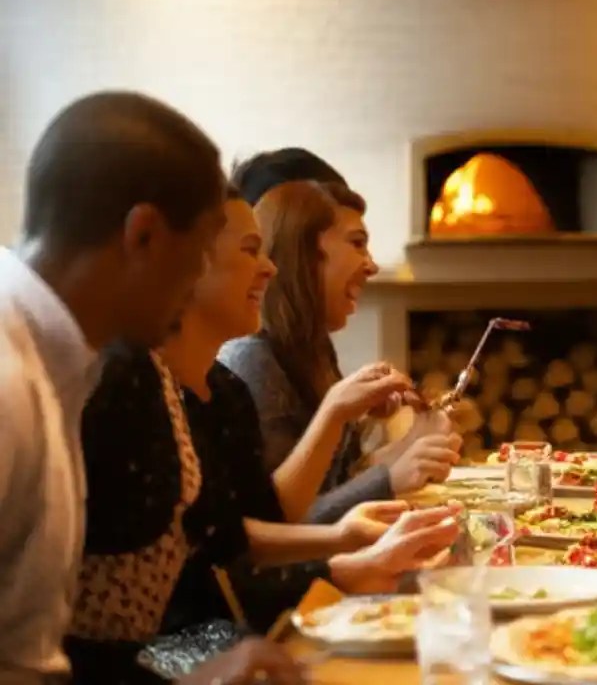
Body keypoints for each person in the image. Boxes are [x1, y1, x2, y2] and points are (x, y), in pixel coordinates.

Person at [65, 189, 461, 682]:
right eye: (251, 250)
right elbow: (208, 578)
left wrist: (344, 543)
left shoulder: (223, 386)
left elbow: (230, 535)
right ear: (189, 264)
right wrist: (344, 545)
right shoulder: (130, 380)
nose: (269, 267)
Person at [0, 91, 298, 683]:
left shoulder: (61, 358)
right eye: (202, 251)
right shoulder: (9, 383)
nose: (200, 277)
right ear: (144, 236)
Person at [221, 180, 459, 523]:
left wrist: (411, 446)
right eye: (357, 243)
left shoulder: (314, 348)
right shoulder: (252, 360)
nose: (372, 266)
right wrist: (387, 479)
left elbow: (332, 483)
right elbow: (277, 526)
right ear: (304, 253)